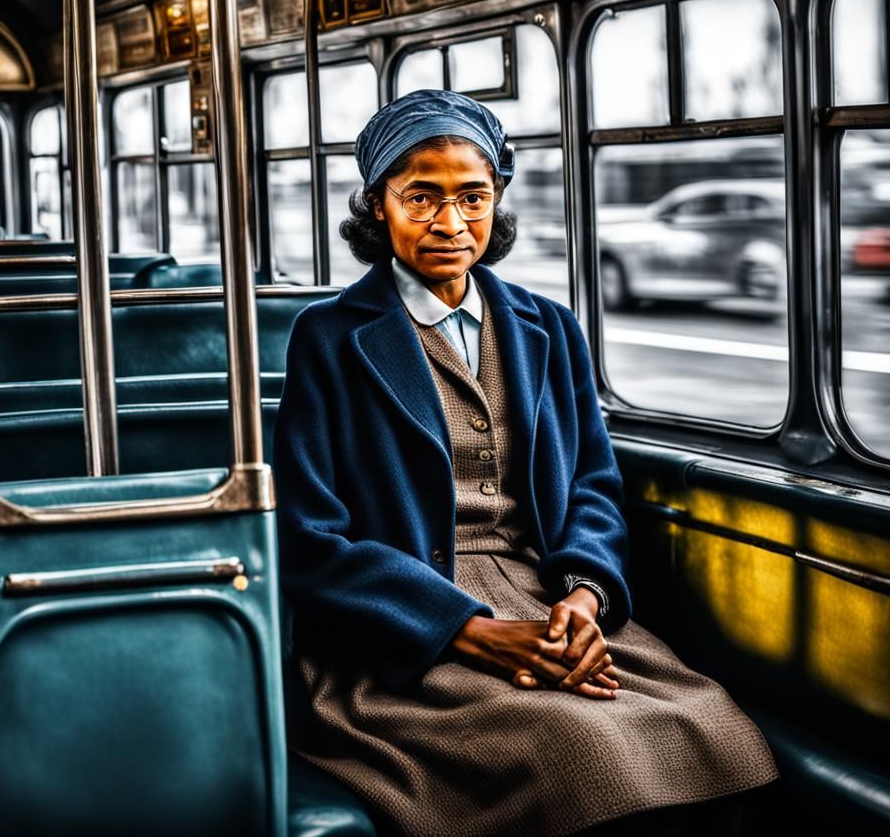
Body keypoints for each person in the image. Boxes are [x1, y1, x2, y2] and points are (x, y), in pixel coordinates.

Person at [273, 89, 779, 837]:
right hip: (408, 619)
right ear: (378, 205)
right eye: (422, 198)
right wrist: (470, 631)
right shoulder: (329, 336)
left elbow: (591, 489)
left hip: (546, 591)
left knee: (719, 731)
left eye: (472, 197)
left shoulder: (549, 328)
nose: (451, 223)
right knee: (584, 750)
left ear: (498, 199)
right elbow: (311, 538)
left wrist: (582, 600)